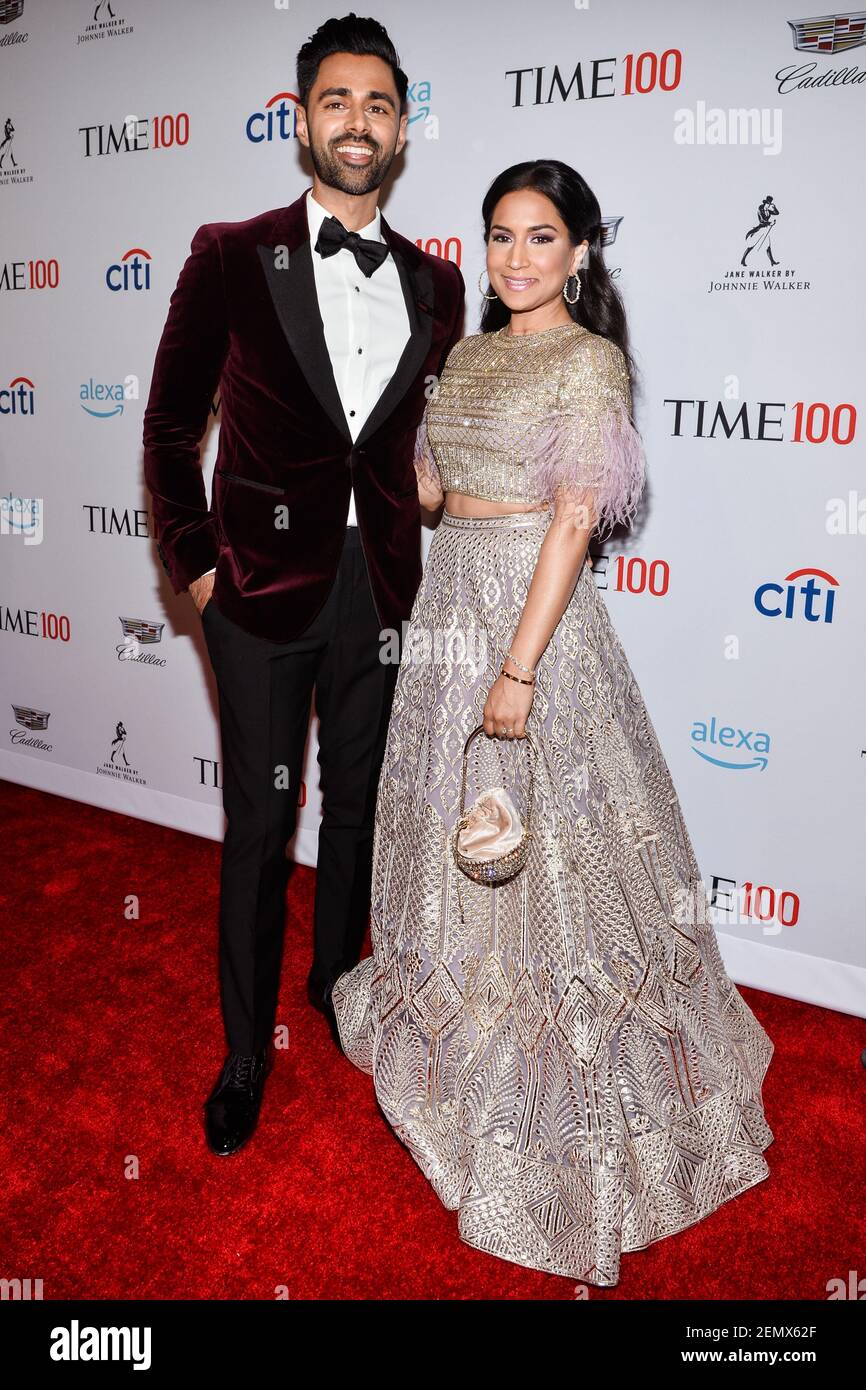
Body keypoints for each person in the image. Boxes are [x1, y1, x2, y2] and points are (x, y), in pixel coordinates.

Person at [332, 159, 775, 1287]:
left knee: (560, 853)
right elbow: (429, 495)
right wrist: (392, 393)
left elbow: (574, 517)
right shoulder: (466, 354)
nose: (516, 257)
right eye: (499, 236)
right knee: (457, 832)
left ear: (580, 252)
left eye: (540, 237)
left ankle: (570, 1078)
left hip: (535, 614)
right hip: (448, 602)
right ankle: (461, 1042)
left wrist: (518, 669)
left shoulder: (590, 362)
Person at [142, 14, 464, 1156]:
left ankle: (339, 988)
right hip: (257, 593)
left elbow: (419, 447)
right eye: (336, 101)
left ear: (402, 125)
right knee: (258, 820)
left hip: (376, 590)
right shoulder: (233, 252)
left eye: (377, 103)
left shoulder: (437, 286)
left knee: (361, 810)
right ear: (299, 120)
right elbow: (172, 426)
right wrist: (194, 569)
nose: (357, 122)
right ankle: (240, 1051)